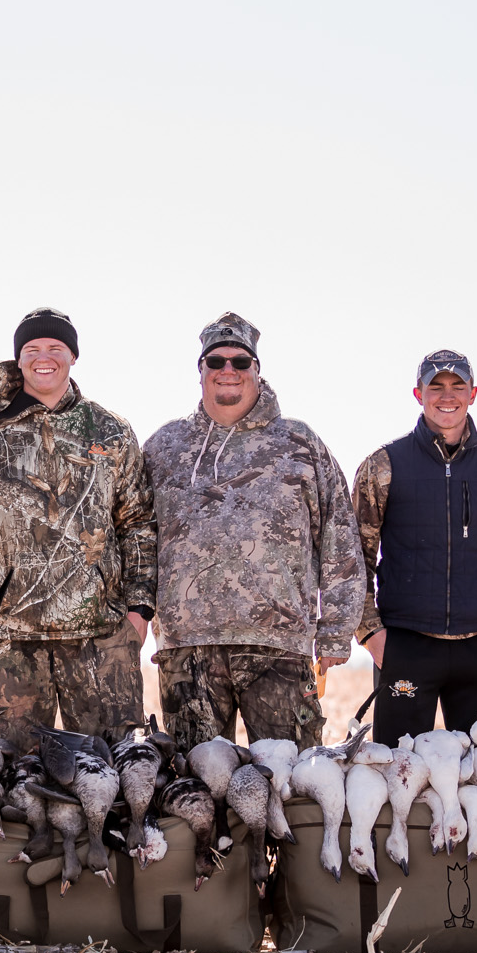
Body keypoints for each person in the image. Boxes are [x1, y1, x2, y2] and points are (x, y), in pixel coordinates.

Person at [0, 307, 156, 752]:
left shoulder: (110, 430)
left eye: (56, 347)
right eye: (32, 349)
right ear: (18, 359)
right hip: (7, 639)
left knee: (112, 770)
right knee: (9, 774)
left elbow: (137, 523)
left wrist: (139, 611)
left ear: (73, 356)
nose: (44, 357)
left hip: (101, 637)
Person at [144, 313, 363, 750]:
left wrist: (336, 630)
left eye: (241, 362)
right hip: (187, 650)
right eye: (216, 361)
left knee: (291, 779)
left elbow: (339, 535)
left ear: (257, 370)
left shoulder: (300, 443)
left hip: (281, 649)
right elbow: (137, 538)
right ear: (200, 370)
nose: (228, 370)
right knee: (195, 781)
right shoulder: (164, 447)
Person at [352, 350, 477, 743]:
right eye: (436, 386)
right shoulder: (383, 465)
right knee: (398, 766)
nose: (447, 396)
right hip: (405, 645)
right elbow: (354, 558)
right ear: (418, 394)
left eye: (458, 386)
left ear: (473, 394)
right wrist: (372, 635)